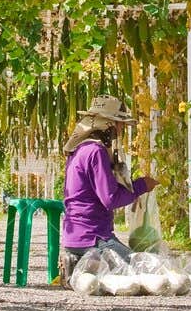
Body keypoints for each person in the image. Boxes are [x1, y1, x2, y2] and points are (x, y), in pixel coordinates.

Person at [60, 94, 158, 282]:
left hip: (74, 239)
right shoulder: (96, 152)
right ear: (107, 125)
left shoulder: (80, 149)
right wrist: (141, 186)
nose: (120, 130)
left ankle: (81, 264)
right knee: (146, 271)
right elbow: (110, 199)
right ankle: (91, 264)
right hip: (94, 239)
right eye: (119, 124)